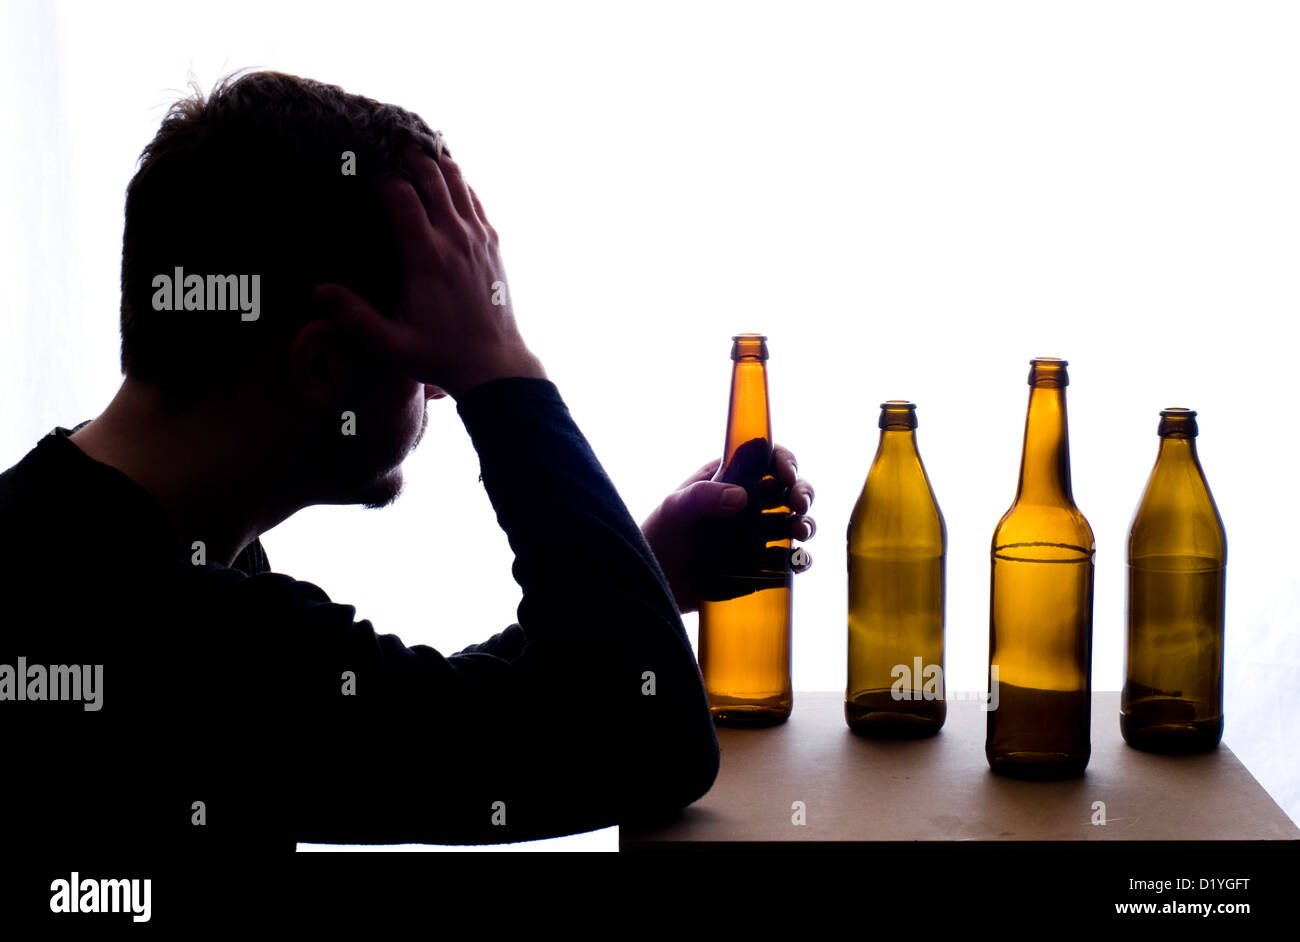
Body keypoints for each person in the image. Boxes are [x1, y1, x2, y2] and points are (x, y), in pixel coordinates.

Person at [0, 70, 816, 862]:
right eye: (436, 342)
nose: (437, 383)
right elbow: (645, 742)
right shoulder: (169, 630)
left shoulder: (92, 540)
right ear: (321, 369)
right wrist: (503, 375)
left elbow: (448, 720)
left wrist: (646, 575)